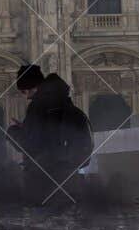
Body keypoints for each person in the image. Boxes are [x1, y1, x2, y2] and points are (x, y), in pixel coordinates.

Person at [10, 64, 91, 208]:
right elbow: (83, 149)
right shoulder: (71, 108)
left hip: (43, 184)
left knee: (40, 227)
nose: (26, 96)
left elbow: (30, 146)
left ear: (31, 87)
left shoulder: (38, 108)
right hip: (71, 182)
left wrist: (13, 132)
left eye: (23, 91)